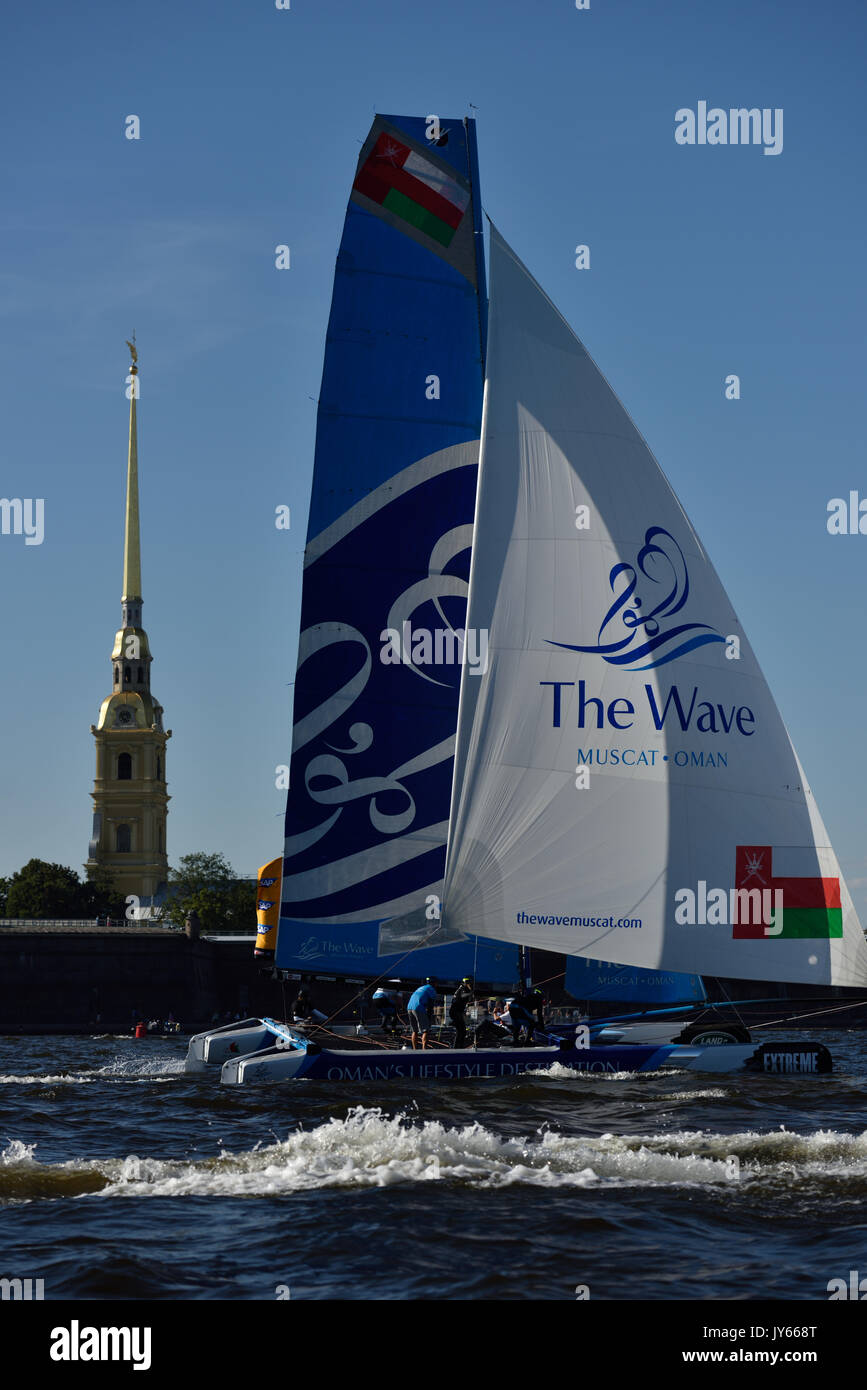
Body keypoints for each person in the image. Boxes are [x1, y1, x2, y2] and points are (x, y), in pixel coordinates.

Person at [407, 979, 438, 1050]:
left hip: (409, 1007)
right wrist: (429, 1017)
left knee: (415, 1030)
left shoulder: (421, 987)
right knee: (425, 1030)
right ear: (434, 983)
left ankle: (415, 1050)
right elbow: (431, 1004)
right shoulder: (431, 989)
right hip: (418, 1008)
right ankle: (424, 1050)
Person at [448, 977, 474, 1048]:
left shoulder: (463, 988)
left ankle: (458, 1046)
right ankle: (457, 1047)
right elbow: (462, 996)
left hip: (456, 1012)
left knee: (461, 1031)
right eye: (468, 983)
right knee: (461, 1031)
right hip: (455, 1012)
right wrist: (470, 993)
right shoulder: (462, 988)